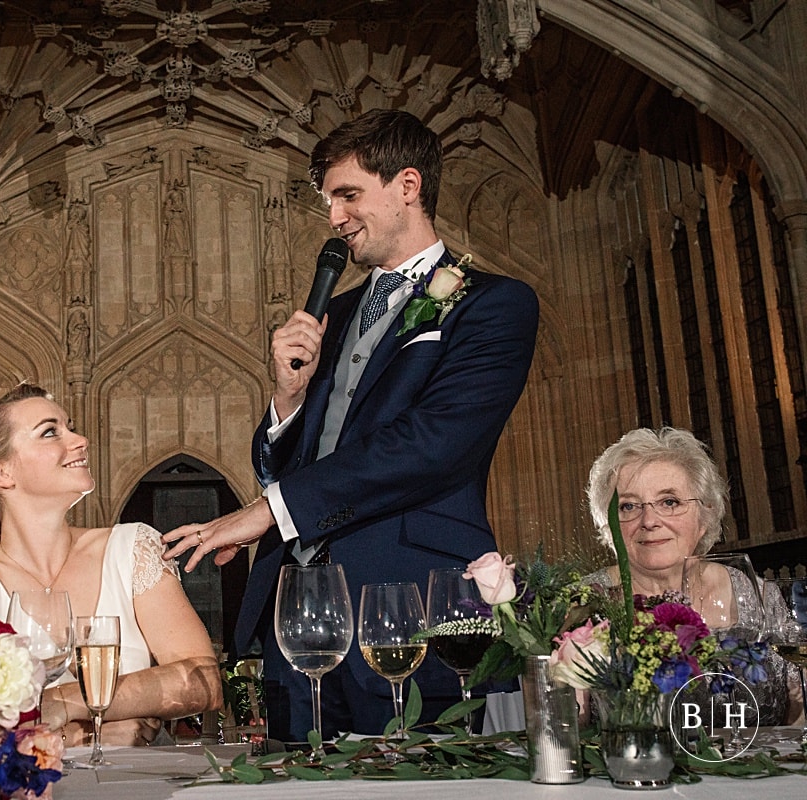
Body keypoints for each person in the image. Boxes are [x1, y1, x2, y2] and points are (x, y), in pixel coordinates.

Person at [161, 108, 539, 741]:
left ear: (409, 187)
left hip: (412, 605)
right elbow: (283, 463)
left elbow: (433, 446)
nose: (334, 218)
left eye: (348, 195)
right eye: (330, 201)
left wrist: (265, 513)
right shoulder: (331, 315)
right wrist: (286, 398)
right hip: (300, 613)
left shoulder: (493, 303)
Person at [0, 383, 222, 746]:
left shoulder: (131, 549)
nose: (80, 440)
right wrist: (75, 736)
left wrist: (65, 703)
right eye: (50, 432)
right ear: (0, 472)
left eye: (71, 426)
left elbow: (202, 681)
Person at [585, 426, 803, 725]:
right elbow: (568, 727)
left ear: (705, 515)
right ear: (608, 524)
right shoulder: (585, 603)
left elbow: (797, 707)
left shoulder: (758, 595)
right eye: (628, 506)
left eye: (669, 502)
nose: (649, 520)